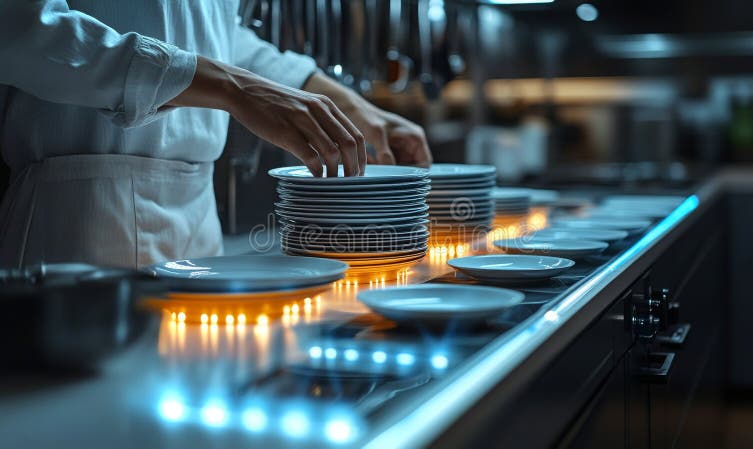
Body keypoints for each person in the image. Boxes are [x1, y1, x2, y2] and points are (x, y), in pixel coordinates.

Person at [0, 0, 432, 269]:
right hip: (80, 218)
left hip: (199, 216)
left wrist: (339, 98)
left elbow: (216, 35)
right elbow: (24, 29)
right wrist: (233, 88)